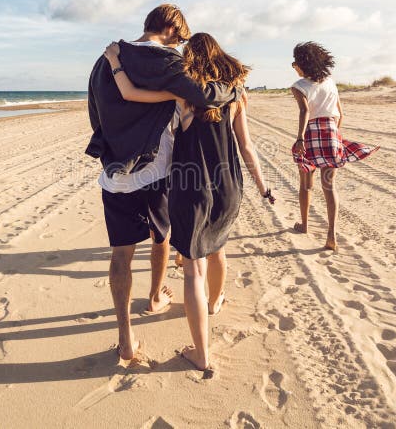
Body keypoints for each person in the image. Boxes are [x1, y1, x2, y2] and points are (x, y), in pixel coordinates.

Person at [103, 33, 275, 375]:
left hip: (190, 186)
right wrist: (263, 185)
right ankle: (214, 303)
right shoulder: (236, 96)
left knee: (193, 269)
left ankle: (202, 354)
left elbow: (131, 94)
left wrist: (115, 64)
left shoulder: (183, 97)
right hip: (229, 185)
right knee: (219, 249)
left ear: (190, 61)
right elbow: (247, 147)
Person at [86, 5, 242, 362]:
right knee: (162, 236)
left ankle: (125, 339)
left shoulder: (104, 60)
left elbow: (95, 111)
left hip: (115, 171)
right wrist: (233, 92)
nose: (180, 47)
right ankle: (156, 297)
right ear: (171, 27)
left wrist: (111, 151)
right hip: (156, 170)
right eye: (180, 38)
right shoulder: (166, 62)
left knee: (121, 254)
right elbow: (204, 95)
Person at [290, 42, 378, 250]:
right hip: (331, 132)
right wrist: (334, 134)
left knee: (306, 183)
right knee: (329, 186)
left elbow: (305, 112)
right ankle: (331, 236)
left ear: (301, 64)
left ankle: (304, 225)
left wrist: (300, 138)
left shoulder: (298, 86)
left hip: (310, 134)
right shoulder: (330, 82)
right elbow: (341, 114)